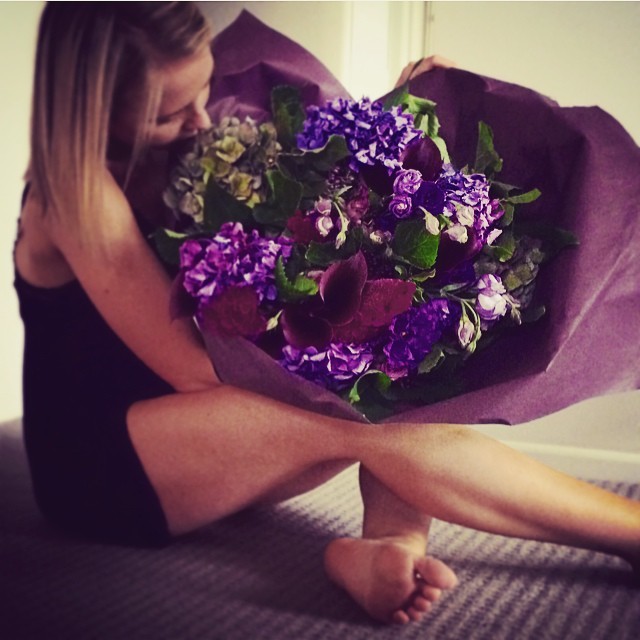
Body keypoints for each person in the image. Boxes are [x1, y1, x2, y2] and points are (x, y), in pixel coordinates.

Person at [13, 1, 640, 626]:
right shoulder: (72, 196)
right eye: (167, 114)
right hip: (105, 465)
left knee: (392, 358)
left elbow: (313, 186)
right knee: (360, 418)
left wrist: (407, 114)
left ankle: (390, 547)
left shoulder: (197, 144)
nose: (199, 118)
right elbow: (195, 373)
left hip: (216, 440)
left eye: (200, 87)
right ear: (91, 107)